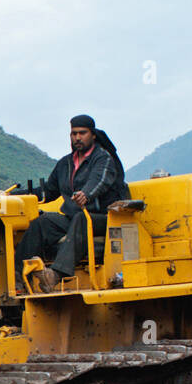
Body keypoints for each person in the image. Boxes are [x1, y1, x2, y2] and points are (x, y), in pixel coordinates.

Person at [14, 114, 130, 291]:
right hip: (75, 217)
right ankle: (17, 277)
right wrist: (12, 196)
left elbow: (99, 181)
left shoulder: (104, 159)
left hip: (105, 220)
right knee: (42, 223)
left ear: (93, 135)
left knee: (81, 220)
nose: (77, 137)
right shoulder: (65, 164)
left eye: (82, 133)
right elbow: (46, 192)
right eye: (73, 134)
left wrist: (86, 194)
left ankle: (55, 275)